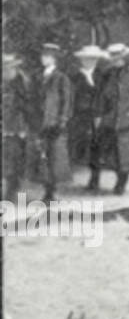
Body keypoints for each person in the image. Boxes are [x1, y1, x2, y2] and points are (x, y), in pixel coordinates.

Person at [94, 44, 129, 195]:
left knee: (125, 155)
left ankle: (121, 183)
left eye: (118, 58)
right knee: (111, 154)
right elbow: (101, 96)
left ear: (124, 58)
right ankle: (115, 178)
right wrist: (98, 115)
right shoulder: (107, 74)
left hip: (126, 120)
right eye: (113, 58)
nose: (115, 61)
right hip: (110, 119)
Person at [30, 43, 73, 203]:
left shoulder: (61, 78)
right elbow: (32, 99)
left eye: (47, 56)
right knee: (42, 157)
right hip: (39, 122)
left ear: (54, 58)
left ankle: (51, 192)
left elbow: (66, 101)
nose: (43, 59)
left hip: (54, 123)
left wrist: (62, 120)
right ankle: (46, 190)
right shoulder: (37, 76)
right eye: (42, 55)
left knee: (54, 158)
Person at [69, 45, 105, 183]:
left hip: (98, 116)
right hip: (81, 116)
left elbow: (104, 96)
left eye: (93, 59)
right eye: (86, 59)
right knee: (81, 145)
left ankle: (95, 178)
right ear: (82, 60)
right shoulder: (75, 77)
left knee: (97, 146)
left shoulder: (102, 76)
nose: (89, 62)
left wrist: (99, 114)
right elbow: (73, 97)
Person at [3, 53, 30, 205]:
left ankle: (12, 191)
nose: (5, 72)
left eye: (8, 68)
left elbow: (28, 106)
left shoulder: (22, 82)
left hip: (17, 128)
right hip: (8, 126)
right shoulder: (7, 82)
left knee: (13, 159)